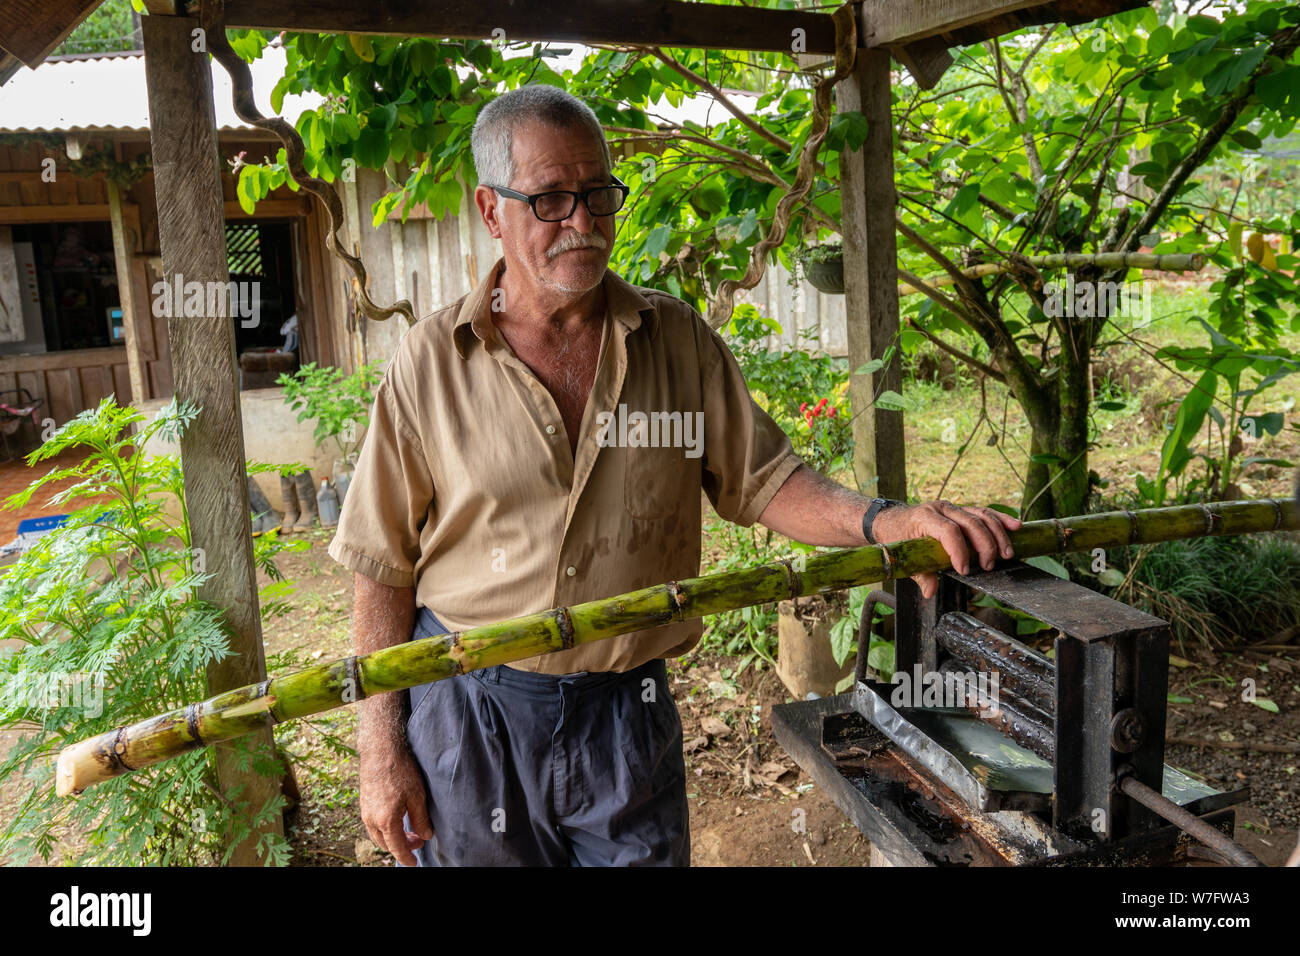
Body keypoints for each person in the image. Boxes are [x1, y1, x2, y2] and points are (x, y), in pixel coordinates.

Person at [328, 85, 1020, 867]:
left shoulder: (676, 342)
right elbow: (381, 565)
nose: (583, 223)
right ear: (492, 211)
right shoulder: (431, 361)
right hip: (470, 709)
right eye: (551, 200)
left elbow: (767, 482)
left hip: (627, 711)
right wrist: (379, 752)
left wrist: (887, 521)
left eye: (598, 194)